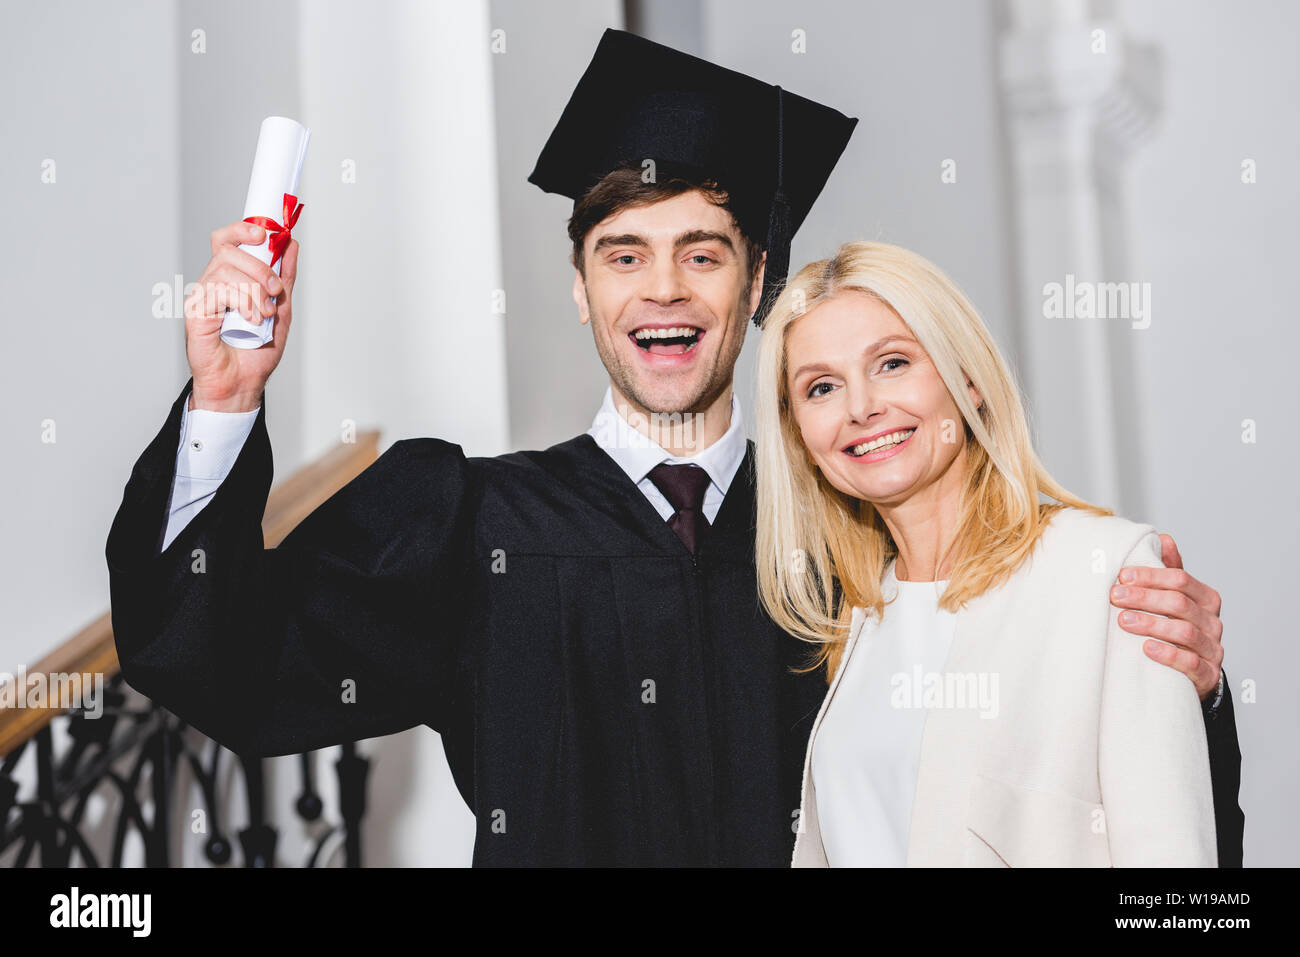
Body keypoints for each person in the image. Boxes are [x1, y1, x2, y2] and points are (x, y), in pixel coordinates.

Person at [106, 30, 1241, 866]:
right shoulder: (473, 526)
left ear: (757, 284)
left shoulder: (866, 541)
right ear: (580, 286)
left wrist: (1179, 682)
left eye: (703, 252)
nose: (663, 288)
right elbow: (218, 662)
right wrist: (225, 399)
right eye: (623, 253)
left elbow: (1102, 800)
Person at [753, 241, 1230, 866]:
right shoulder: (850, 619)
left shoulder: (1103, 572)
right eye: (821, 387)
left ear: (969, 379)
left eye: (892, 363)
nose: (862, 407)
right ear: (798, 434)